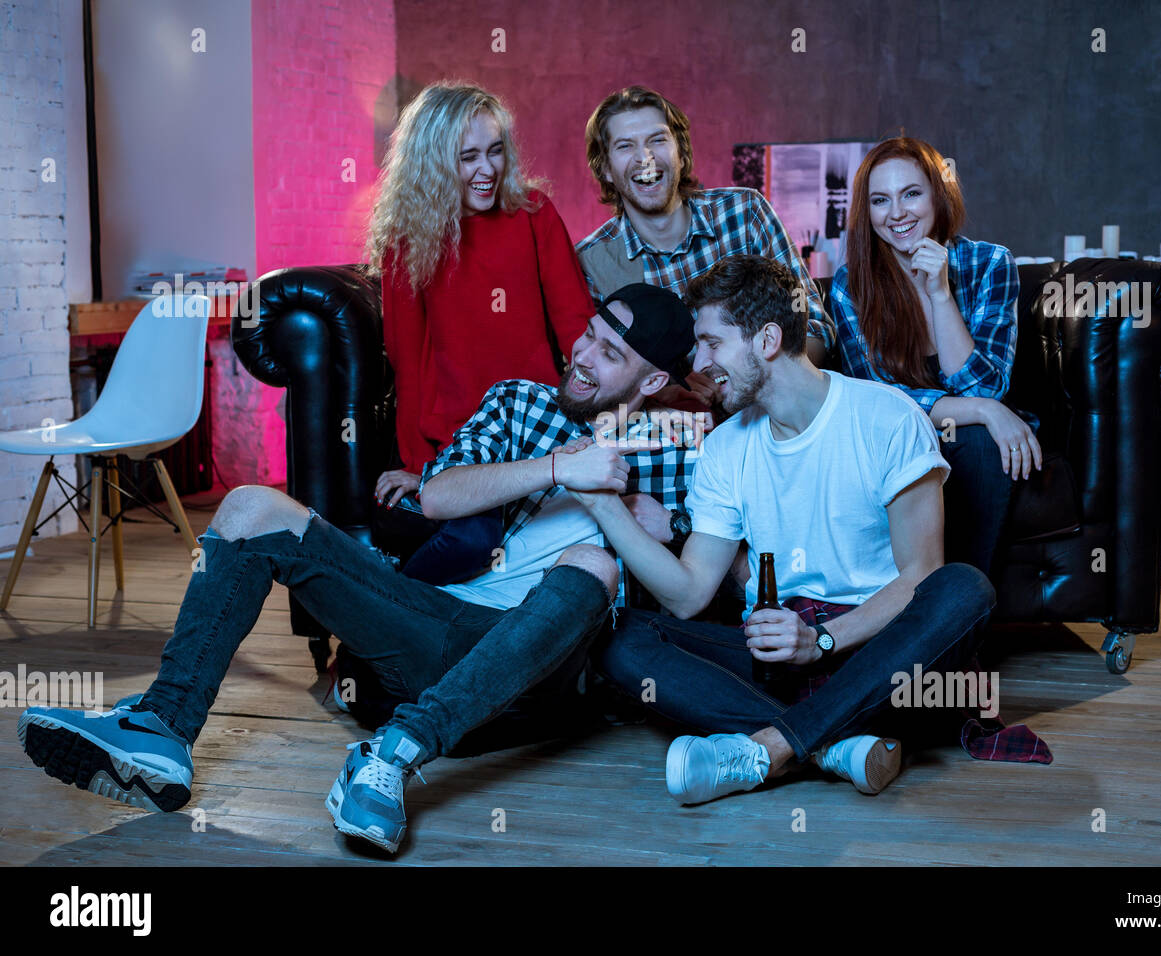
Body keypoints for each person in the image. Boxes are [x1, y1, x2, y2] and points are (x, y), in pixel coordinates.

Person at [18, 284, 700, 854]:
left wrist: (660, 521)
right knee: (252, 506)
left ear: (653, 381)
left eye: (610, 355)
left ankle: (391, 758)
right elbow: (438, 494)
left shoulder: (684, 454)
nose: (581, 357)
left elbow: (701, 585)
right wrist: (559, 468)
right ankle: (163, 727)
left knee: (592, 563)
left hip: (544, 670)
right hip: (439, 625)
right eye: (587, 336)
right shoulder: (524, 403)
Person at [571, 254, 997, 805]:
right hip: (775, 658)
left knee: (964, 587)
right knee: (618, 634)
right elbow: (688, 594)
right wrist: (604, 506)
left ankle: (770, 747)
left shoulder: (885, 418)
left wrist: (820, 641)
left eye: (712, 343)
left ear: (767, 339)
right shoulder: (725, 448)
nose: (698, 364)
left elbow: (921, 577)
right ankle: (833, 746)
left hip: (880, 655)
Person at [366, 81, 594, 579]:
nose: (487, 170)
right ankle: (384, 622)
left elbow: (577, 329)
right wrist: (421, 466)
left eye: (494, 151)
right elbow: (408, 363)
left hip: (538, 435)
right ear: (431, 162)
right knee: (472, 541)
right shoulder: (409, 240)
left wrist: (593, 426)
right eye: (467, 157)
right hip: (459, 449)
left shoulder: (533, 214)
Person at [828, 136, 1040, 577]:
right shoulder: (851, 284)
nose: (898, 213)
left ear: (937, 194)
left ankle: (960, 622)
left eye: (911, 194)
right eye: (881, 200)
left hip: (968, 440)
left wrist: (940, 294)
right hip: (893, 438)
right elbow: (881, 399)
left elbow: (985, 384)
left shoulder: (989, 264)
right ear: (867, 213)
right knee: (972, 431)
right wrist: (984, 410)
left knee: (981, 443)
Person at [577, 85, 836, 413]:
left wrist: (744, 377)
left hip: (772, 413)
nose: (645, 158)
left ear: (681, 153)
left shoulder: (745, 213)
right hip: (679, 435)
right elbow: (595, 380)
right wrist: (663, 394)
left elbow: (812, 324)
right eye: (626, 146)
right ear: (605, 169)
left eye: (657, 140)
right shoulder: (593, 263)